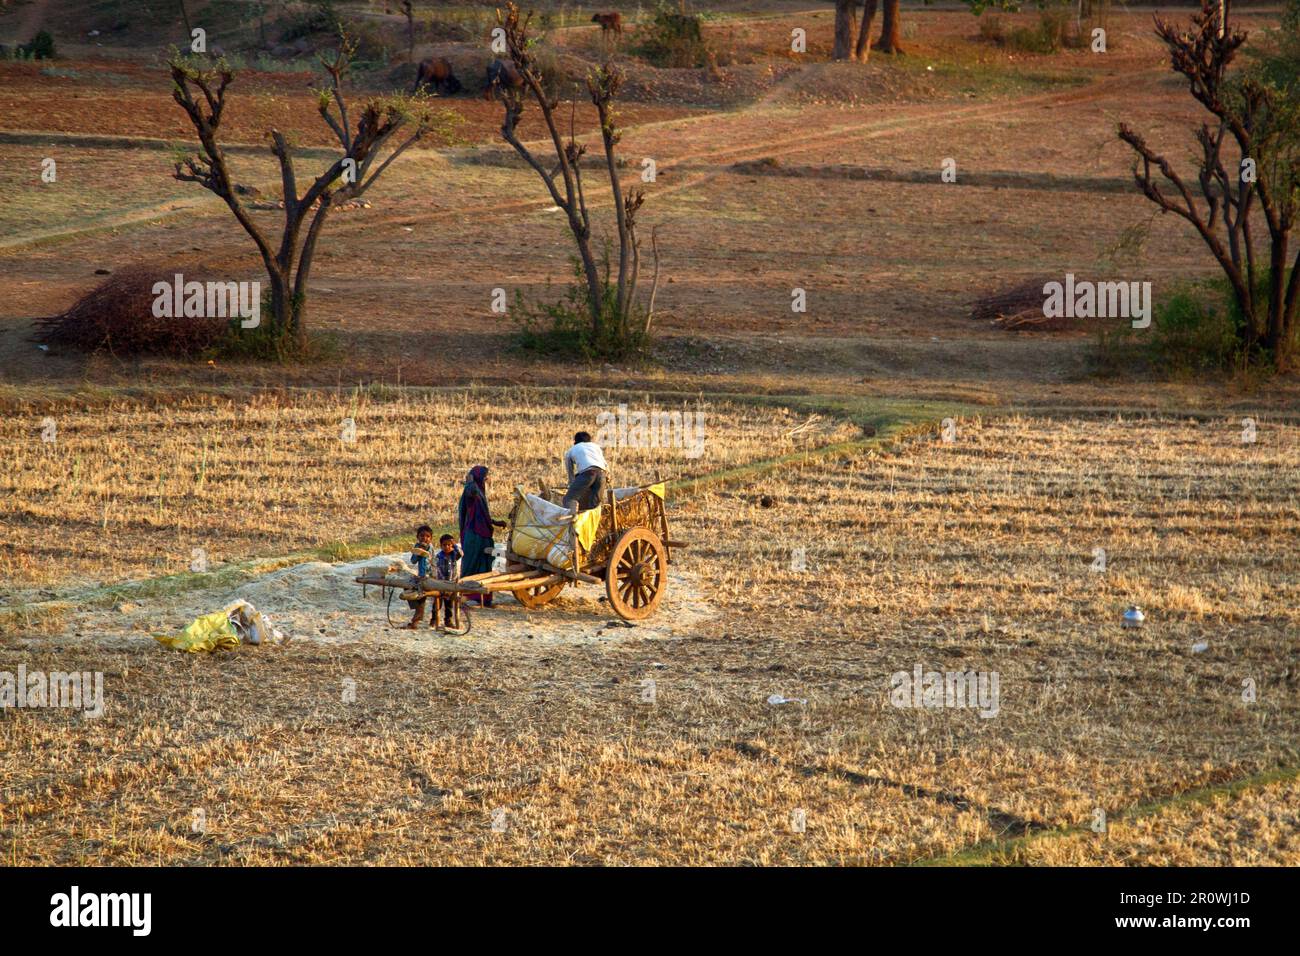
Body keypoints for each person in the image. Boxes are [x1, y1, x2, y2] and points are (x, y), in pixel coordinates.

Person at [458, 465, 506, 607]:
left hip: (483, 534)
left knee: (485, 565)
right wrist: (470, 480)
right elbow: (471, 492)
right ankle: (467, 595)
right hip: (473, 535)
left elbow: (482, 514)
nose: (487, 478)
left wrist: (495, 522)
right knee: (471, 564)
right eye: (485, 475)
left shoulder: (480, 492)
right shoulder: (471, 490)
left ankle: (484, 598)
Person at [563, 430, 608, 512]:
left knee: (569, 499)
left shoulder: (571, 450)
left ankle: (572, 521)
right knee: (594, 506)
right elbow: (605, 465)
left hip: (588, 473)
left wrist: (571, 484)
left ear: (575, 441)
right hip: (602, 474)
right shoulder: (596, 446)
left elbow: (570, 472)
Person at [404, 525, 437, 629]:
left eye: (427, 536)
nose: (424, 538)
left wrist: (424, 550)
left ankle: (429, 618)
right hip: (421, 575)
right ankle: (418, 612)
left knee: (426, 594)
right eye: (422, 536)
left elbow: (432, 561)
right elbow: (413, 561)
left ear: (431, 538)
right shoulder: (417, 546)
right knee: (408, 587)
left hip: (430, 575)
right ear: (417, 537)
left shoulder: (430, 547)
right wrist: (418, 551)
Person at [433, 533, 462, 629]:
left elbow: (461, 554)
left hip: (452, 583)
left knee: (449, 604)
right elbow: (437, 569)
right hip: (441, 583)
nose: (447, 547)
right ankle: (433, 620)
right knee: (437, 604)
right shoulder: (439, 556)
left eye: (449, 545)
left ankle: (448, 621)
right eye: (444, 545)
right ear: (441, 546)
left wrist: (455, 545)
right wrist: (441, 581)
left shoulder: (454, 555)